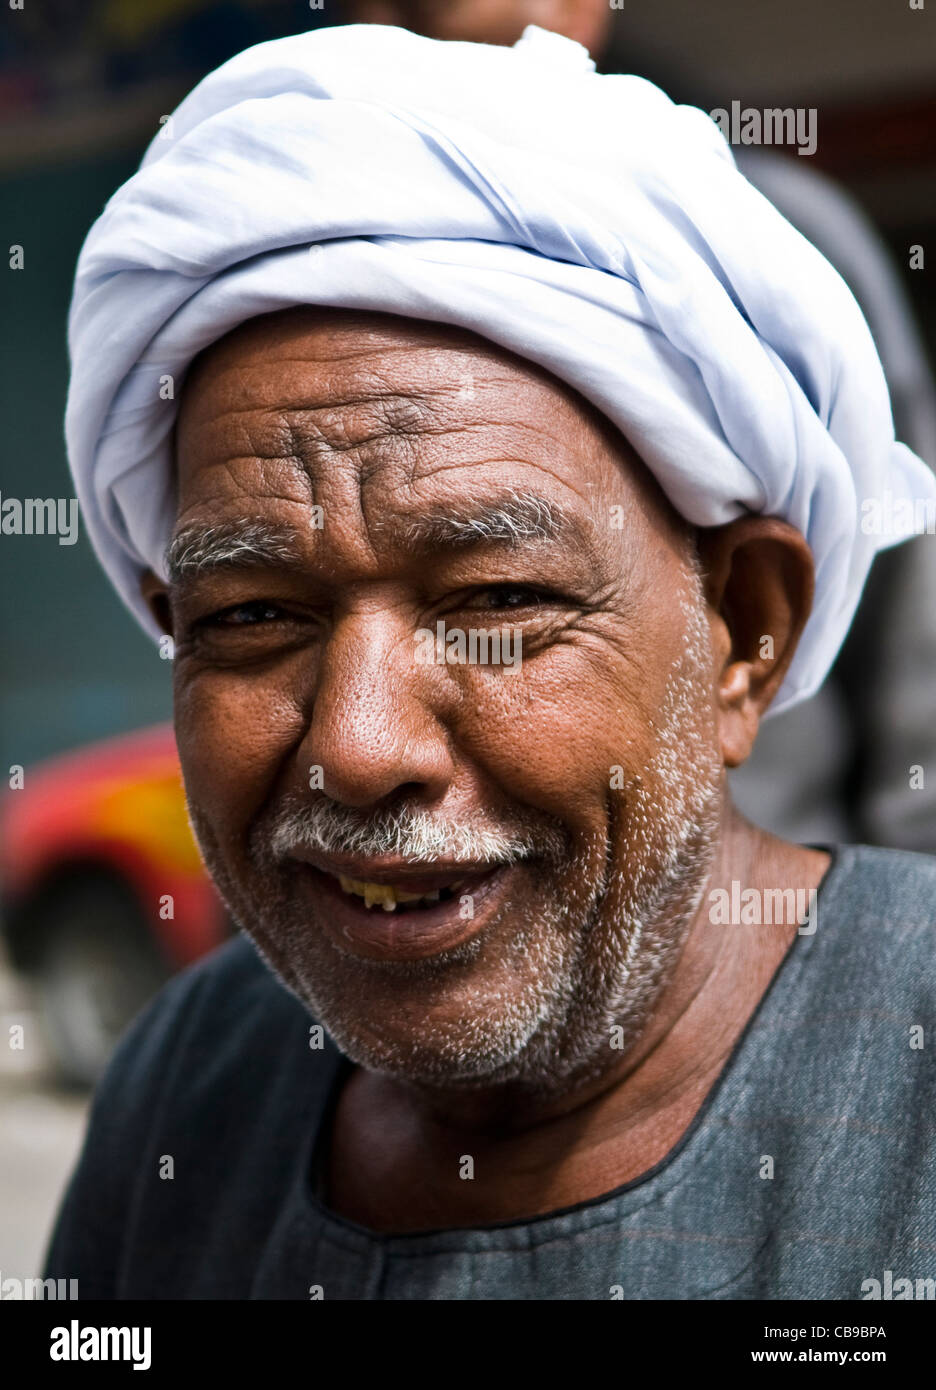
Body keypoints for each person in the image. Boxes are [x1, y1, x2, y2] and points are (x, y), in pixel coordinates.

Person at [45, 22, 936, 1299]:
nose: (357, 747)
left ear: (746, 630)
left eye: (499, 600)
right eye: (252, 616)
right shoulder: (184, 1082)